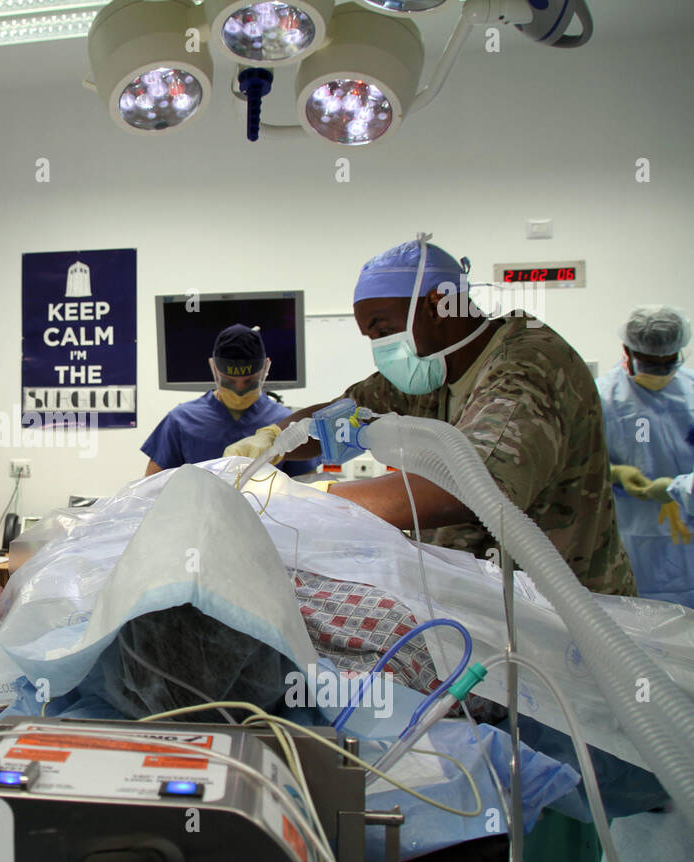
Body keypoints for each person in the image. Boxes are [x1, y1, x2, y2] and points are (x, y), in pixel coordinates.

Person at [239, 234, 635, 596]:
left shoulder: (527, 366)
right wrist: (273, 439)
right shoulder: (434, 370)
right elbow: (336, 419)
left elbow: (471, 487)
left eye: (382, 329)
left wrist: (314, 500)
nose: (379, 346)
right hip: (489, 606)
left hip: (562, 615)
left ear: (437, 305)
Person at [596, 306, 693, 607]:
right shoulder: (601, 396)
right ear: (627, 350)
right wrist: (612, 472)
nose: (660, 371)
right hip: (634, 538)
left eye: (667, 363)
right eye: (651, 363)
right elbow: (578, 461)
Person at [142, 324, 316, 477]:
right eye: (229, 382)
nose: (239, 390)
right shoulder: (180, 421)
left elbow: (307, 488)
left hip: (264, 515)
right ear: (214, 368)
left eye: (249, 382)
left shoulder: (286, 423)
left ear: (265, 368)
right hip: (202, 514)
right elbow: (151, 488)